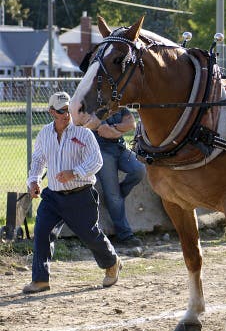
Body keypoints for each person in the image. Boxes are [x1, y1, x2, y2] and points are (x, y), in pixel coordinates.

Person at [23, 91, 122, 294]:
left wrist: (74, 173)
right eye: (61, 111)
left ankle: (112, 262)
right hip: (53, 195)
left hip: (81, 194)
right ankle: (40, 280)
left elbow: (96, 161)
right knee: (41, 232)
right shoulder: (44, 134)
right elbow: (39, 160)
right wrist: (33, 181)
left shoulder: (83, 133)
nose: (66, 114)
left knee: (89, 235)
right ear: (52, 112)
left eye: (69, 110)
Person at [85, 107, 146, 248]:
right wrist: (116, 130)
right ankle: (125, 235)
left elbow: (131, 123)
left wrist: (113, 129)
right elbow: (93, 125)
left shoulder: (118, 104)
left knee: (139, 170)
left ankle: (116, 196)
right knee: (114, 196)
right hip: (102, 152)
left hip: (120, 148)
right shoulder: (92, 103)